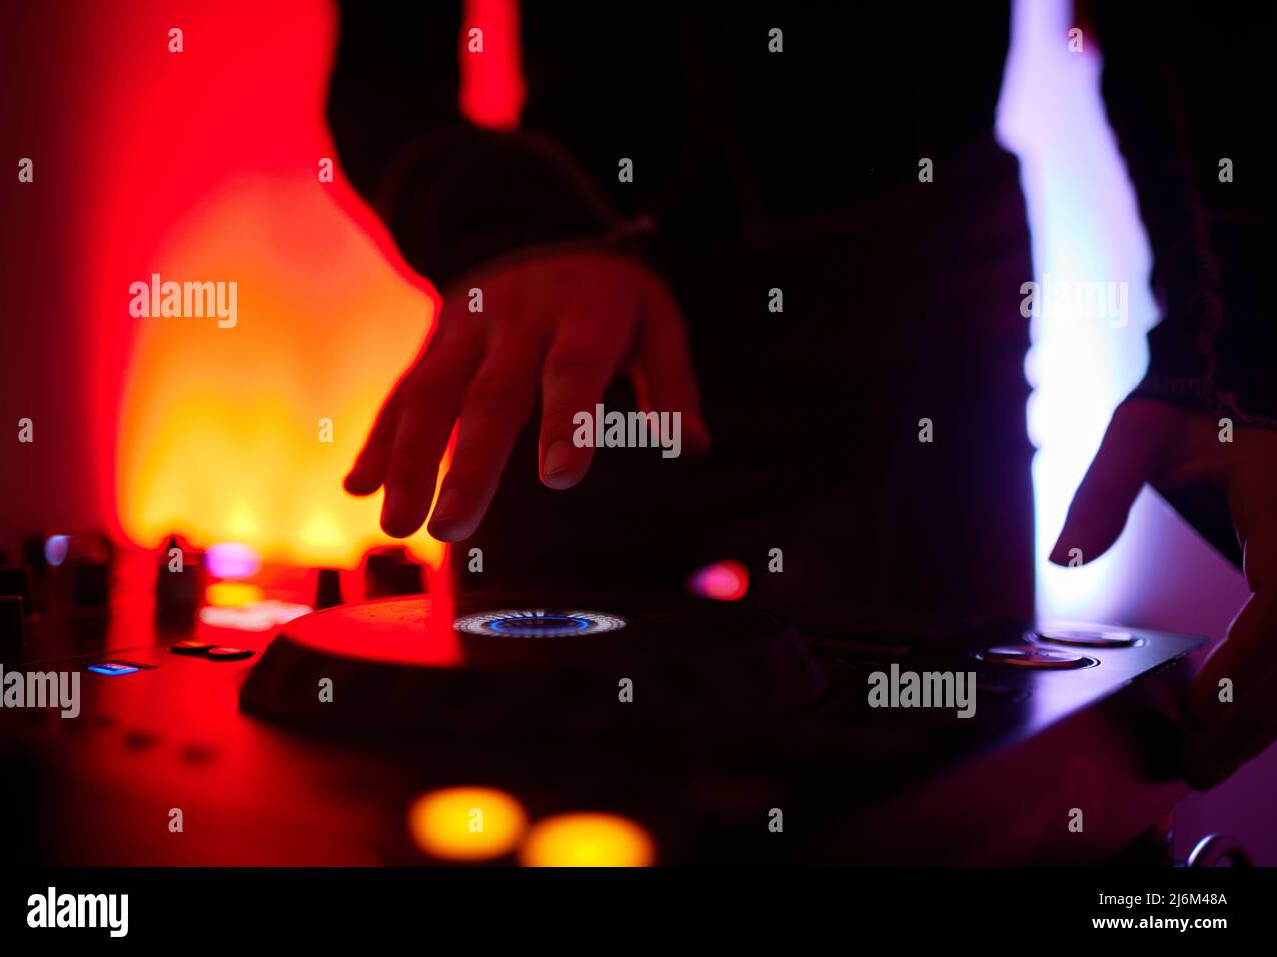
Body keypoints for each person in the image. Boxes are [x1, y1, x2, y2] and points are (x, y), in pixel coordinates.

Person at [330, 2, 1274, 789]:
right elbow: (385, 65)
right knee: (523, 763)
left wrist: (1232, 357)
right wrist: (510, 227)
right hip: (583, 306)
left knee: (921, 795)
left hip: (916, 293)